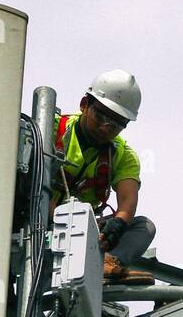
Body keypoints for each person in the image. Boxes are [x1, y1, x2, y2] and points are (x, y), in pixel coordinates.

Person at [52, 69, 156, 284]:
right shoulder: (51, 130)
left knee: (143, 226)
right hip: (39, 223)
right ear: (84, 105)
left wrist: (117, 224)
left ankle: (106, 264)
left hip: (83, 230)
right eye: (101, 116)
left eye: (117, 124)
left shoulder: (123, 155)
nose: (106, 127)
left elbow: (127, 201)